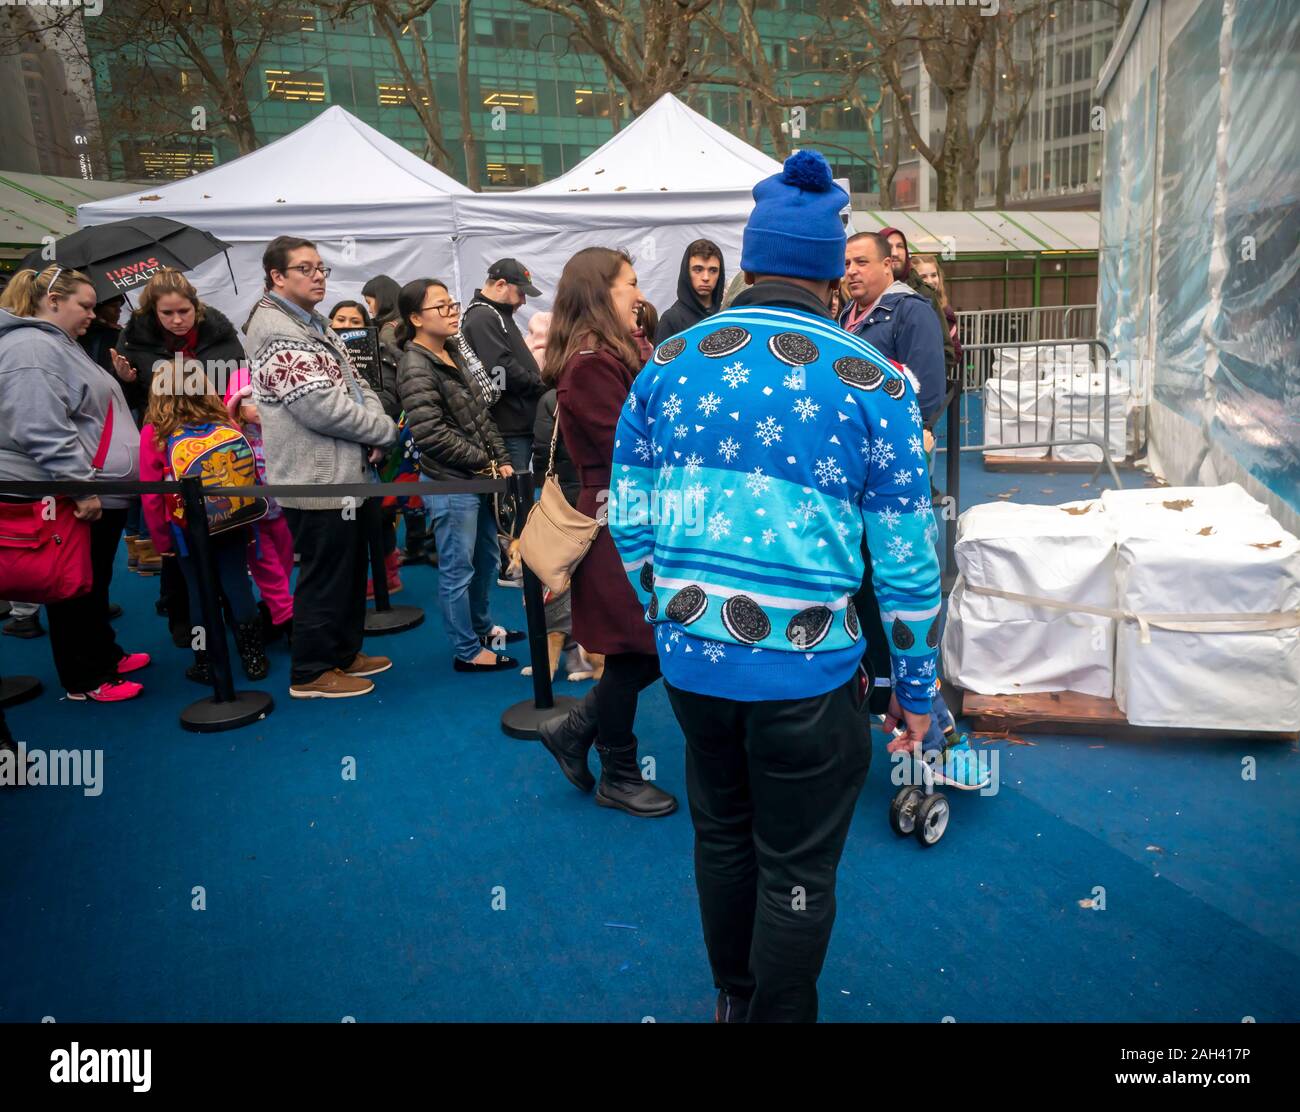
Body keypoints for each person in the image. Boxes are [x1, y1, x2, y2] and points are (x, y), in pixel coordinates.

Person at [609, 150, 942, 1021]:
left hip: (693, 667)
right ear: (837, 283)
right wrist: (916, 690)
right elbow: (908, 564)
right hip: (810, 677)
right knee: (795, 863)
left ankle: (734, 999)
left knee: (721, 834)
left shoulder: (667, 362)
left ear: (748, 267)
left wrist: (667, 611)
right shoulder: (875, 382)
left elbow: (626, 515)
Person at [533, 246, 678, 819]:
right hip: (618, 521)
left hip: (627, 517)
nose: (640, 295)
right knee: (638, 651)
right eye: (630, 284)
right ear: (600, 293)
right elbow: (632, 449)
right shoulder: (590, 365)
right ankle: (615, 769)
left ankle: (577, 733)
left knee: (640, 650)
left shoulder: (604, 357)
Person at [243, 236, 398, 699]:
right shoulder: (274, 327)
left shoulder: (311, 322)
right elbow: (317, 407)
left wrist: (374, 427)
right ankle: (311, 671)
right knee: (325, 575)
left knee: (349, 571)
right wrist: (382, 432)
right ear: (278, 276)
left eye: (321, 269)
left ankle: (343, 652)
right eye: (306, 269)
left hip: (343, 472)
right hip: (316, 478)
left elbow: (357, 383)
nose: (318, 277)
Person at [0, 266, 148, 702]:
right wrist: (81, 488)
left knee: (93, 581)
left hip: (88, 487)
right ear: (52, 300)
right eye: (84, 304)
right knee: (74, 587)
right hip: (66, 491)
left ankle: (104, 655)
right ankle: (86, 679)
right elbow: (40, 427)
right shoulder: (31, 348)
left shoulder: (56, 345)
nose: (93, 313)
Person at [395, 277, 522, 672]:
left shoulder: (452, 351)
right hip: (450, 481)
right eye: (441, 307)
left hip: (475, 477)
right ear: (415, 318)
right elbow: (430, 434)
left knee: (484, 557)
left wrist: (499, 458)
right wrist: (484, 463)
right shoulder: (414, 364)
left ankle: (481, 628)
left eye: (452, 304)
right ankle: (466, 650)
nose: (452, 312)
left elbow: (480, 416)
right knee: (457, 567)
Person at [114, 269, 246, 579]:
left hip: (216, 439)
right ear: (152, 311)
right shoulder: (133, 340)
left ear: (196, 307)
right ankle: (181, 608)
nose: (177, 319)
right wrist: (126, 382)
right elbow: (127, 402)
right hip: (162, 437)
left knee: (225, 534)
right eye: (167, 313)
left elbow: (239, 381)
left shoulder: (219, 333)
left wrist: (234, 409)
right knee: (174, 530)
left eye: (183, 311)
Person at [139, 365, 269, 682]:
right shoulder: (225, 422)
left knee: (198, 594)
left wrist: (162, 541)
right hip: (233, 523)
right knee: (238, 585)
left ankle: (205, 661)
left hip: (186, 532)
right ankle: (254, 658)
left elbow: (152, 496)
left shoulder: (155, 433)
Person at [840, 232, 946, 425]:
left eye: (861, 262)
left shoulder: (913, 311)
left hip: (893, 438)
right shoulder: (848, 310)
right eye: (847, 264)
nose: (852, 271)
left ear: (886, 265)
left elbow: (926, 393)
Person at [223, 367, 294, 645]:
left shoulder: (283, 433)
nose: (262, 406)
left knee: (284, 566)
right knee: (269, 570)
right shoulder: (235, 438)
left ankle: (274, 611)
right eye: (253, 400)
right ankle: (289, 620)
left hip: (283, 513)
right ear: (239, 405)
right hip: (254, 518)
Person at [459, 258, 546, 478]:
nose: (524, 301)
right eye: (521, 293)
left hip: (517, 425)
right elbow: (499, 370)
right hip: (509, 428)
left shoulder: (494, 315)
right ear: (500, 285)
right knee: (515, 499)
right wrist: (540, 384)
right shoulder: (483, 316)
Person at [879, 226, 956, 382]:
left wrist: (925, 386)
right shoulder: (869, 294)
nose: (895, 252)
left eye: (900, 246)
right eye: (889, 246)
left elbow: (946, 350)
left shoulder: (925, 295)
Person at [655, 239, 725, 343]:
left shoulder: (725, 314)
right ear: (686, 272)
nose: (706, 277)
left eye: (713, 270)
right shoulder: (671, 320)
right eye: (698, 269)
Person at [912, 254, 963, 372]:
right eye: (923, 276)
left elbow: (955, 351)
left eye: (934, 275)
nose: (930, 281)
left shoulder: (946, 310)